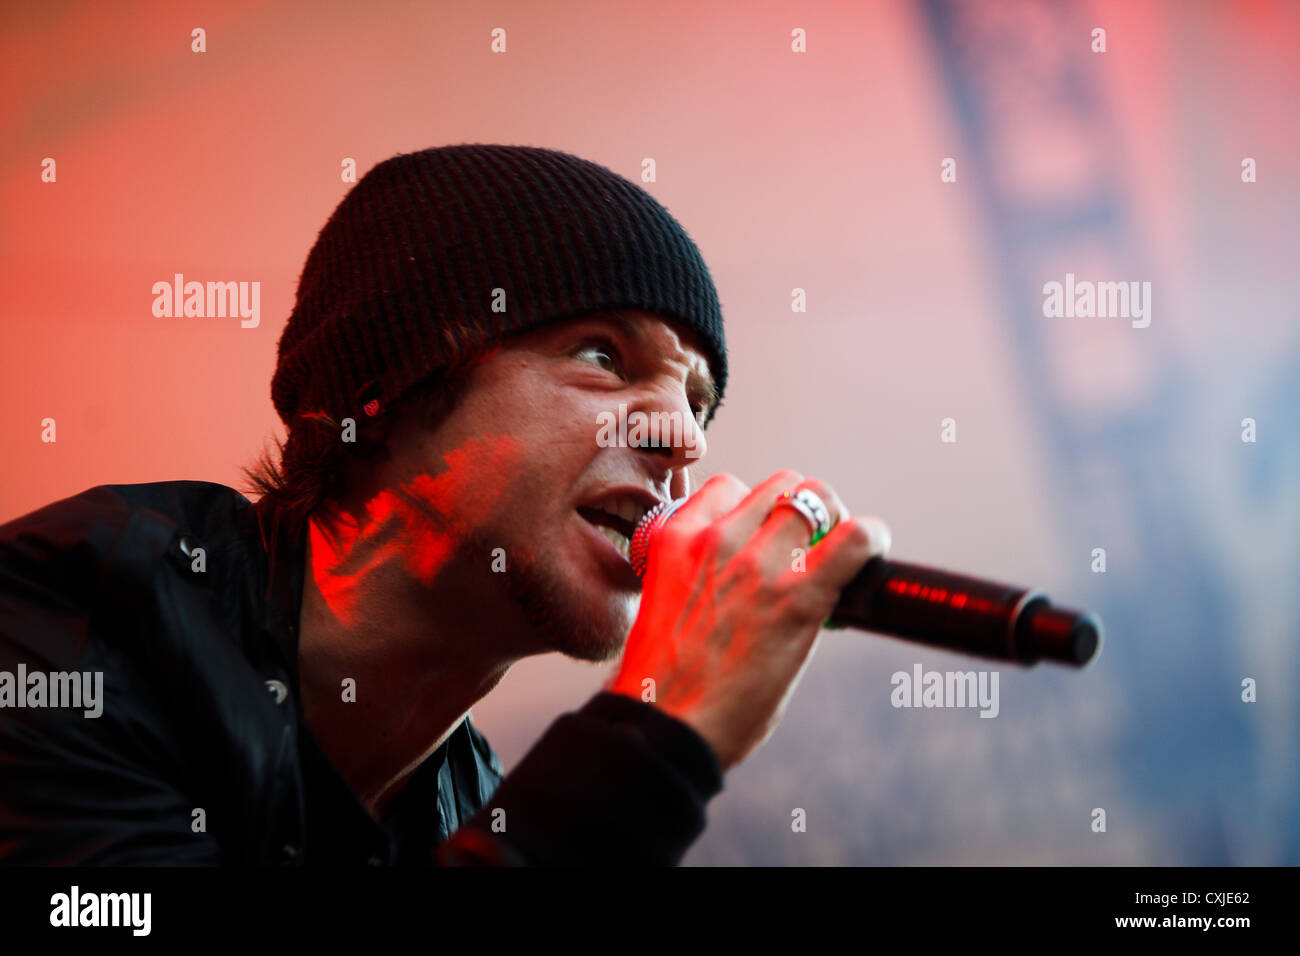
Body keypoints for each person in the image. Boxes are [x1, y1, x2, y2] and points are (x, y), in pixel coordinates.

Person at [0, 145, 889, 865]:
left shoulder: (476, 809)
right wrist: (666, 729)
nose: (685, 442)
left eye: (699, 404)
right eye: (603, 356)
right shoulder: (69, 619)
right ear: (388, 394)